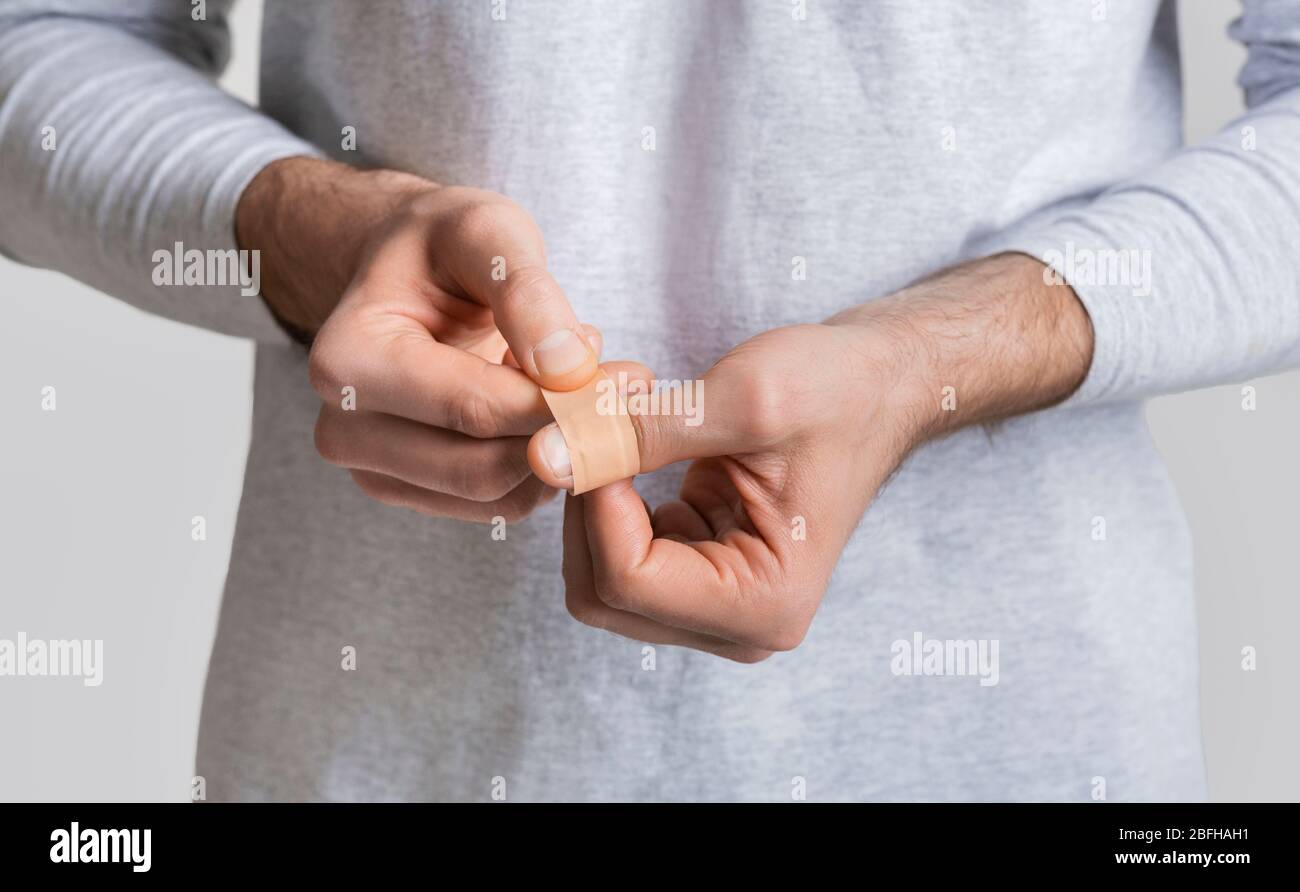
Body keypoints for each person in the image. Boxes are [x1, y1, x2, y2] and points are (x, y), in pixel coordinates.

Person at [2, 0, 1297, 802]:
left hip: (1027, 752)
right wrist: (301, 234)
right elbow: (39, 35)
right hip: (369, 761)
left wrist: (935, 358)